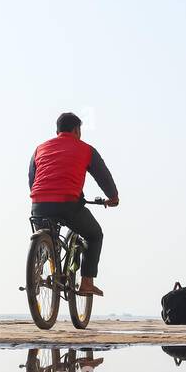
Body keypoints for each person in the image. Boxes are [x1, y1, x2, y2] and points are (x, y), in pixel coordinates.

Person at [28, 113, 120, 297]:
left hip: (38, 204)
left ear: (57, 131)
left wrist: (42, 197)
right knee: (94, 235)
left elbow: (32, 178)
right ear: (77, 130)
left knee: (50, 245)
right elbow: (103, 176)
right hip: (68, 204)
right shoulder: (86, 149)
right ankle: (87, 282)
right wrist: (113, 197)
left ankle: (35, 272)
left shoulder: (40, 149)